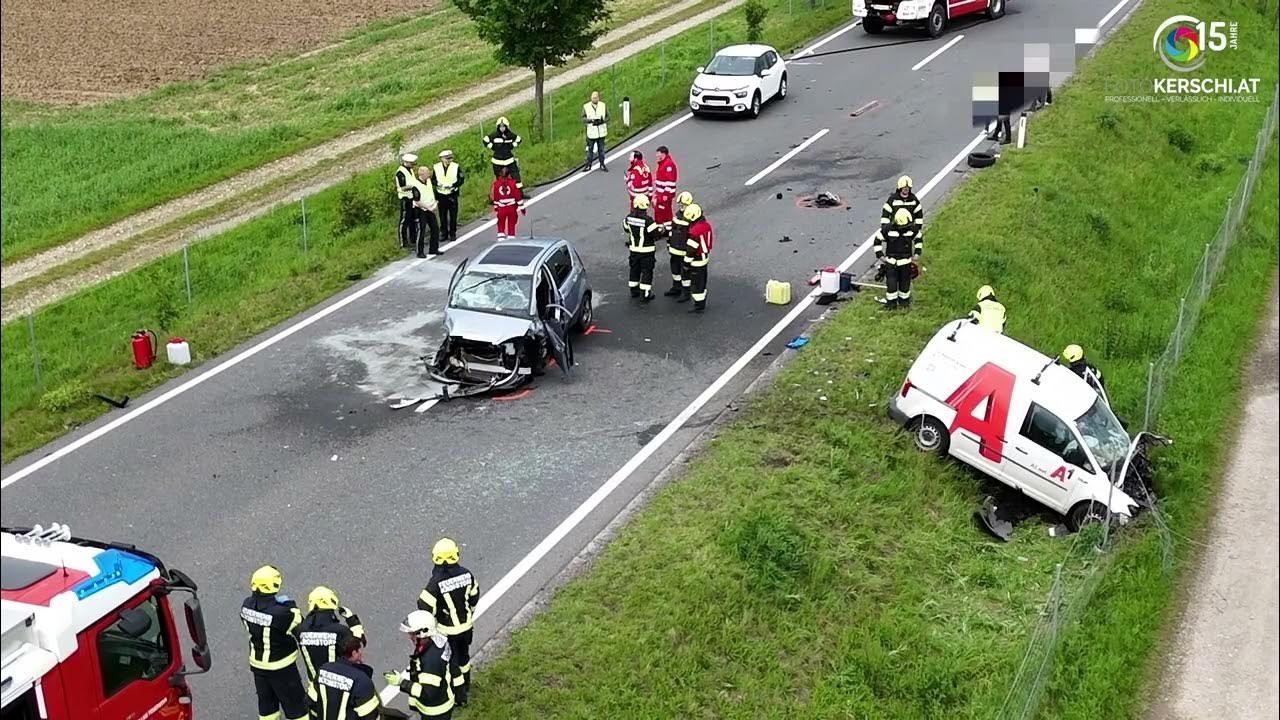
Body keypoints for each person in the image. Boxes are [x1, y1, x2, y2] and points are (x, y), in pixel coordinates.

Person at [417, 538, 479, 707]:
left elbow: (423, 605)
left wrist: (437, 617)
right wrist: (468, 614)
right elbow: (474, 596)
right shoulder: (467, 574)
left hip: (446, 631)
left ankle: (460, 698)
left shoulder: (435, 582)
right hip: (466, 627)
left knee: (453, 665)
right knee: (464, 657)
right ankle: (466, 685)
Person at [241, 565, 308, 720]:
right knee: (297, 709)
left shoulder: (246, 605)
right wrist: (291, 606)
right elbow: (299, 624)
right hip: (282, 667)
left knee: (267, 709)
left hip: (258, 666)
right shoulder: (281, 613)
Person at [296, 586, 366, 710]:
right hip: (339, 687)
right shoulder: (340, 631)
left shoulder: (301, 629)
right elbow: (358, 641)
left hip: (315, 688)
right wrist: (351, 620)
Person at [387, 611, 456, 719]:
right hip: (439, 703)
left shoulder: (431, 661)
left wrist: (401, 682)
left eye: (412, 633)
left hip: (436, 710)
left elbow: (427, 693)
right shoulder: (433, 642)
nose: (410, 637)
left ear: (423, 632)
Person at [313, 634, 381, 720]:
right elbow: (370, 716)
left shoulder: (324, 669)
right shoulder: (361, 680)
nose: (361, 653)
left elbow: (312, 701)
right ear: (354, 653)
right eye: (359, 650)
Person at [873, 208, 922, 309]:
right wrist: (880, 256)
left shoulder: (912, 229)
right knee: (891, 284)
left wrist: (917, 253)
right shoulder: (888, 229)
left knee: (905, 284)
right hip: (892, 262)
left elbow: (919, 239)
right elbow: (877, 241)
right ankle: (891, 304)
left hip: (906, 262)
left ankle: (904, 303)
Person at [623, 194, 662, 302]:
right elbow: (656, 235)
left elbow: (626, 229)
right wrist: (661, 230)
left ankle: (634, 291)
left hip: (634, 250)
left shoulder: (628, 218)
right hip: (646, 251)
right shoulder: (648, 220)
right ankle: (645, 294)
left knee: (634, 270)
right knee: (646, 272)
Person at [682, 203, 713, 314]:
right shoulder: (706, 225)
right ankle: (701, 302)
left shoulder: (694, 231)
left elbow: (691, 250)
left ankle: (699, 305)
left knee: (696, 284)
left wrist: (686, 264)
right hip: (704, 257)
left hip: (697, 261)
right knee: (702, 281)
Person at [431, 150, 464, 243]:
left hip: (452, 194)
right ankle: (444, 233)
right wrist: (438, 184)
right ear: (442, 159)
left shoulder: (456, 166)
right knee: (442, 215)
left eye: (450, 158)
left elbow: (461, 179)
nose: (449, 160)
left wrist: (454, 185)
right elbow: (433, 180)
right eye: (447, 159)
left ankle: (452, 233)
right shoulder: (436, 167)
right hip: (441, 194)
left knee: (453, 215)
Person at [666, 190, 694, 298]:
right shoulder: (677, 216)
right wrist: (669, 244)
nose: (681, 207)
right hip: (674, 250)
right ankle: (676, 287)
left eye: (683, 205)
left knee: (685, 273)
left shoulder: (691, 218)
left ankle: (686, 292)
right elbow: (671, 232)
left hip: (684, 251)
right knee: (675, 270)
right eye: (680, 205)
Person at [483, 117, 524, 192]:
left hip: (509, 160)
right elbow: (485, 140)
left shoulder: (510, 135)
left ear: (507, 127)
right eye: (500, 126)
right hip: (497, 161)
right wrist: (492, 147)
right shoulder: (494, 135)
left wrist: (512, 146)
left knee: (516, 176)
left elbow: (519, 139)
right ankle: (502, 194)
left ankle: (520, 193)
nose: (502, 128)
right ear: (498, 127)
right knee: (500, 179)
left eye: (504, 126)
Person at [491, 165, 525, 241]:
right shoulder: (512, 183)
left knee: (500, 223)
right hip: (511, 208)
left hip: (501, 208)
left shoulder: (496, 184)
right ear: (509, 174)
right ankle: (511, 236)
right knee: (511, 223)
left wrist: (496, 207)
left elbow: (496, 197)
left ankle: (501, 237)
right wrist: (522, 208)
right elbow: (517, 196)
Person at [413, 167, 442, 257]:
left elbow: (430, 193)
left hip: (431, 208)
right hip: (421, 210)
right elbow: (417, 201)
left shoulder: (428, 181)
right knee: (421, 230)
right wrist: (427, 207)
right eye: (427, 173)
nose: (428, 175)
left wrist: (434, 204)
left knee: (435, 229)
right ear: (421, 174)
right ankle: (420, 252)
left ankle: (434, 249)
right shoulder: (416, 185)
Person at [395, 154, 419, 250]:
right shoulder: (400, 172)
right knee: (404, 220)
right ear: (406, 162)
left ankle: (413, 239)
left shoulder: (410, 170)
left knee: (413, 219)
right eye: (412, 163)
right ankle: (403, 243)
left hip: (412, 197)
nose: (413, 165)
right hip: (405, 198)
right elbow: (403, 187)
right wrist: (414, 186)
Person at [581, 90, 609, 172]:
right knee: (590, 149)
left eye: (596, 98)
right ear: (591, 98)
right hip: (591, 132)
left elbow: (608, 116)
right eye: (593, 98)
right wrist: (590, 120)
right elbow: (583, 118)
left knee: (601, 149)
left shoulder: (603, 105)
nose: (594, 99)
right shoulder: (586, 106)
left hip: (601, 131)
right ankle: (588, 165)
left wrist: (603, 121)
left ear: (598, 98)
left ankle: (602, 164)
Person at [652, 146, 679, 230]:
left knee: (662, 211)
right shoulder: (663, 163)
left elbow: (670, 182)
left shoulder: (668, 165)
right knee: (664, 211)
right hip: (661, 193)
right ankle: (667, 227)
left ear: (663, 154)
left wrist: (665, 195)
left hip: (665, 194)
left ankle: (662, 228)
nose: (657, 156)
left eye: (658, 154)